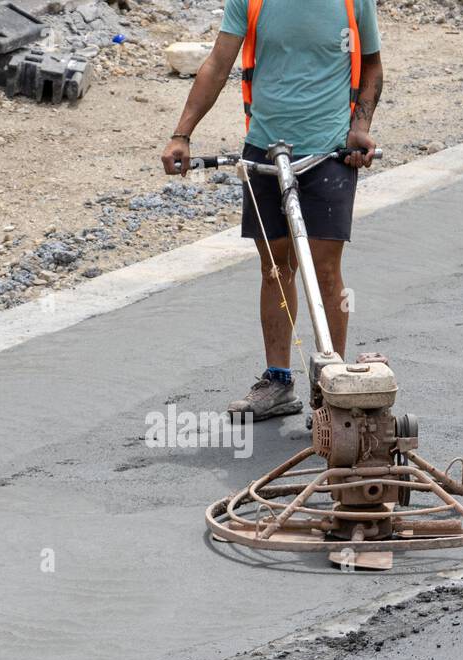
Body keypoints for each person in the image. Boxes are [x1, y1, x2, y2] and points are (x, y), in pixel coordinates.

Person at [162, 0, 383, 420]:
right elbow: (218, 63)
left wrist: (361, 128)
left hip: (329, 153)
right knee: (275, 269)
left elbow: (372, 67)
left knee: (325, 270)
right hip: (264, 149)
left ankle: (331, 381)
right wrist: (182, 134)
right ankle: (279, 381)